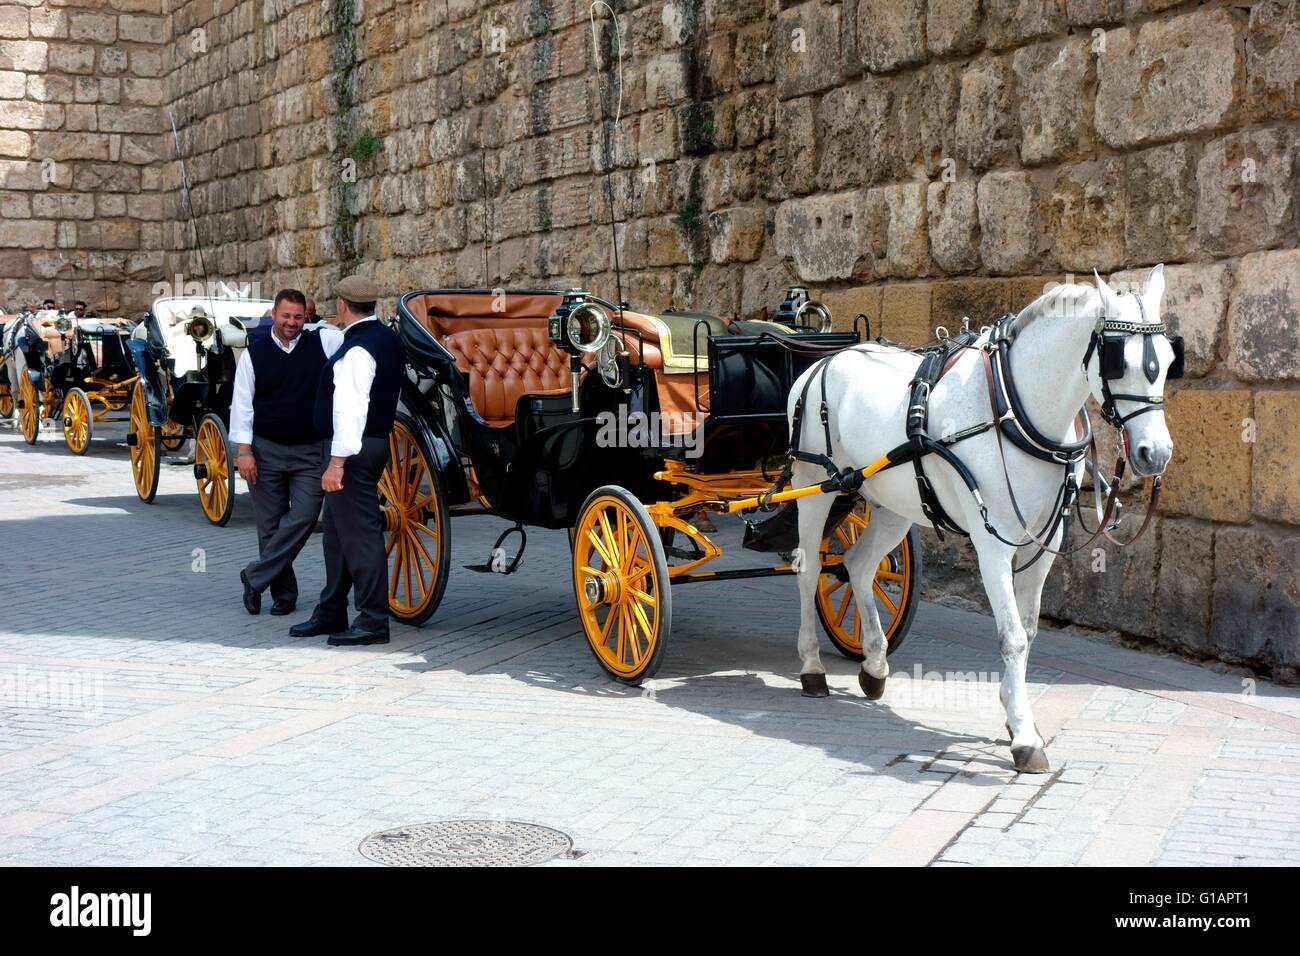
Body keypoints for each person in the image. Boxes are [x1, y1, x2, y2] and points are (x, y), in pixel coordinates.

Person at [290, 275, 405, 646]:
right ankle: (331, 608)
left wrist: (337, 462)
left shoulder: (358, 350)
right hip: (366, 444)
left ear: (342, 306)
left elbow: (352, 408)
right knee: (337, 535)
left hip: (352, 450)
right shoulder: (383, 337)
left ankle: (373, 619)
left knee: (360, 536)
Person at [231, 288, 343, 616]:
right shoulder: (256, 353)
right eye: (286, 316)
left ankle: (254, 576)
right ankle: (284, 595)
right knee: (268, 526)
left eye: (298, 317)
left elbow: (355, 336)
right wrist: (244, 452)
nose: (292, 323)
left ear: (307, 317)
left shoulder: (323, 342)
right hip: (264, 450)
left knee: (306, 515)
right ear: (273, 315)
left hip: (309, 451)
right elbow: (242, 406)